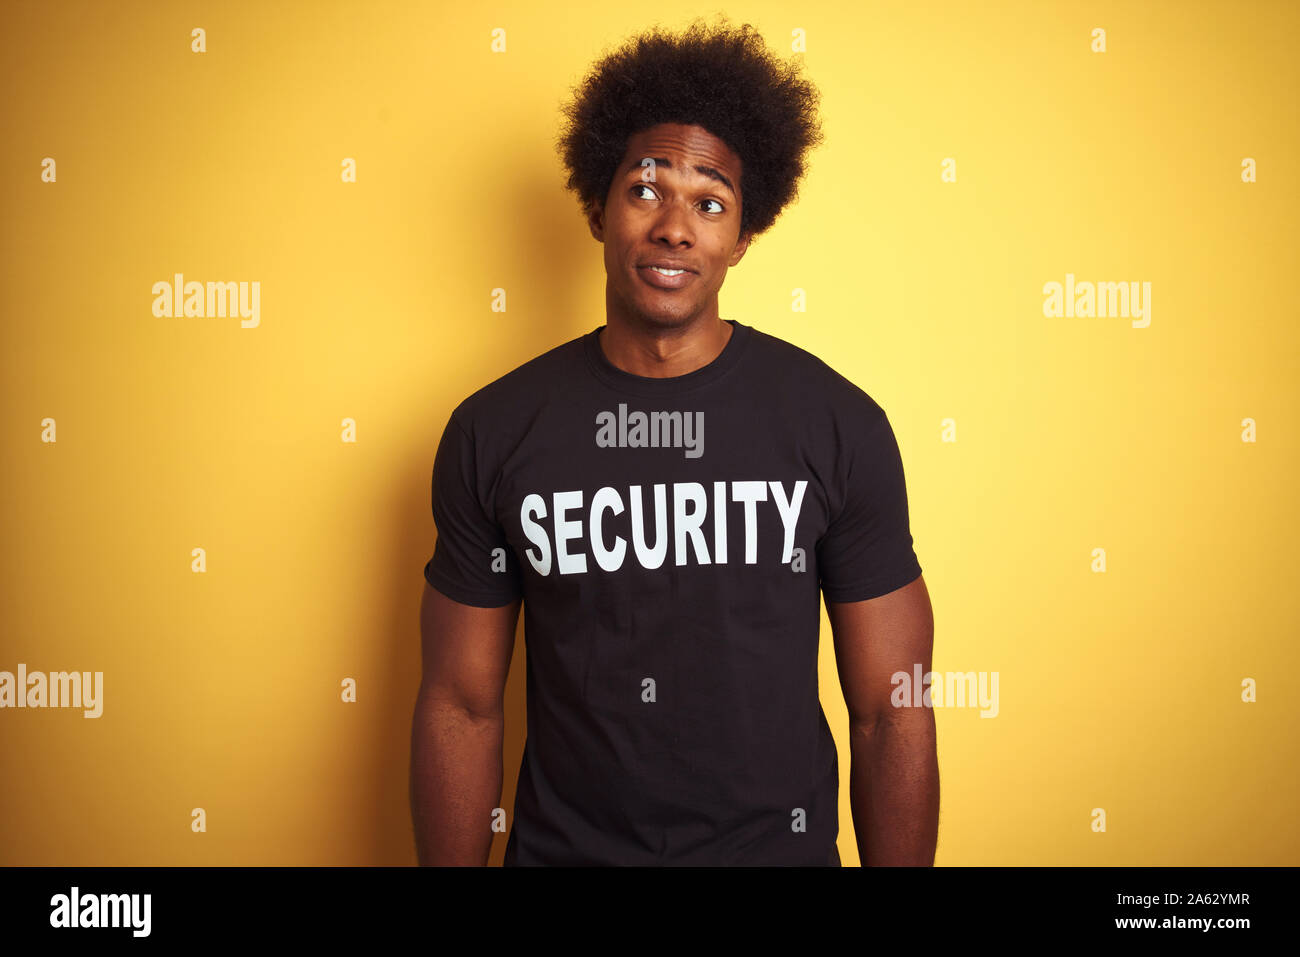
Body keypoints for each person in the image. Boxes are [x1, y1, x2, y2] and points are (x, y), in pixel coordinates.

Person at [411, 17, 937, 866]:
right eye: (647, 189)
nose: (675, 227)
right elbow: (461, 706)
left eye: (711, 202)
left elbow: (894, 708)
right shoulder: (494, 431)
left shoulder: (837, 424)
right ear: (598, 205)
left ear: (743, 234)